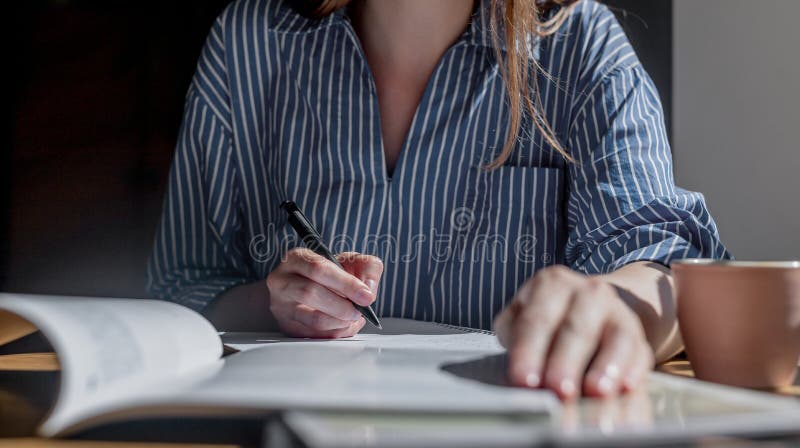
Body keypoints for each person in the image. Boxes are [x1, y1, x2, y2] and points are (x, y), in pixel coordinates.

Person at [147, 0, 729, 400]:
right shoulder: (247, 45)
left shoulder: (581, 47)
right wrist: (274, 305)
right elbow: (181, 288)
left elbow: (670, 270)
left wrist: (613, 304)